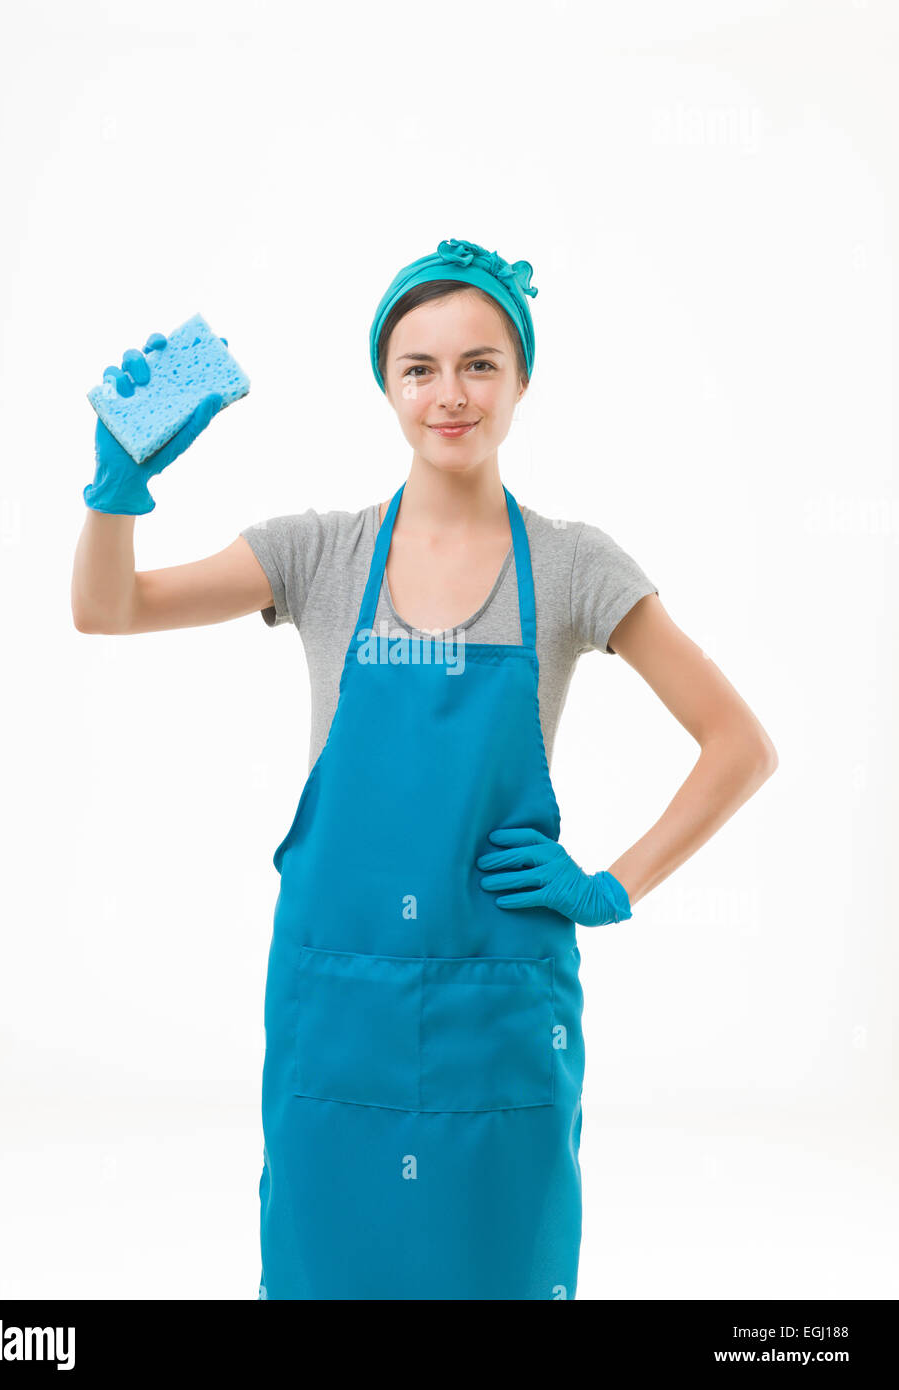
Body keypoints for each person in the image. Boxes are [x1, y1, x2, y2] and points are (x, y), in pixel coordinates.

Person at [72, 237, 778, 1300]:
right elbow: (107, 608)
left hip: (498, 1013)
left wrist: (611, 886)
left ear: (522, 378)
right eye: (421, 368)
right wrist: (115, 488)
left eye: (480, 364)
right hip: (335, 1007)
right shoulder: (316, 554)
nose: (451, 395)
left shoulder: (576, 565)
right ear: (386, 385)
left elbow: (740, 744)